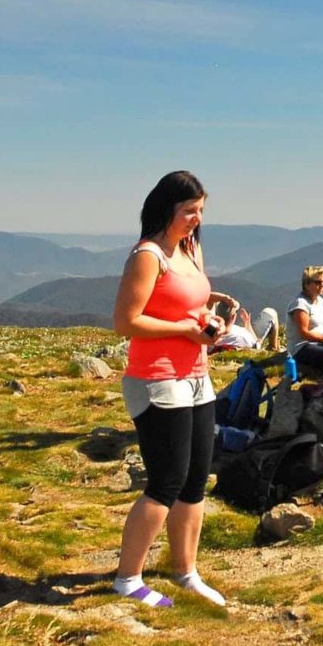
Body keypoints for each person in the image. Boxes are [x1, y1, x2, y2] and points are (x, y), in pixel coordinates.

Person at [110, 170, 227, 610]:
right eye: (188, 211)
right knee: (166, 480)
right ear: (166, 210)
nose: (196, 219)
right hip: (156, 380)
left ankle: (185, 571)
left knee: (196, 480)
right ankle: (128, 578)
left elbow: (191, 304)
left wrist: (208, 323)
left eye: (200, 211)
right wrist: (183, 329)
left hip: (196, 377)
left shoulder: (190, 249)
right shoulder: (147, 255)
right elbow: (125, 322)